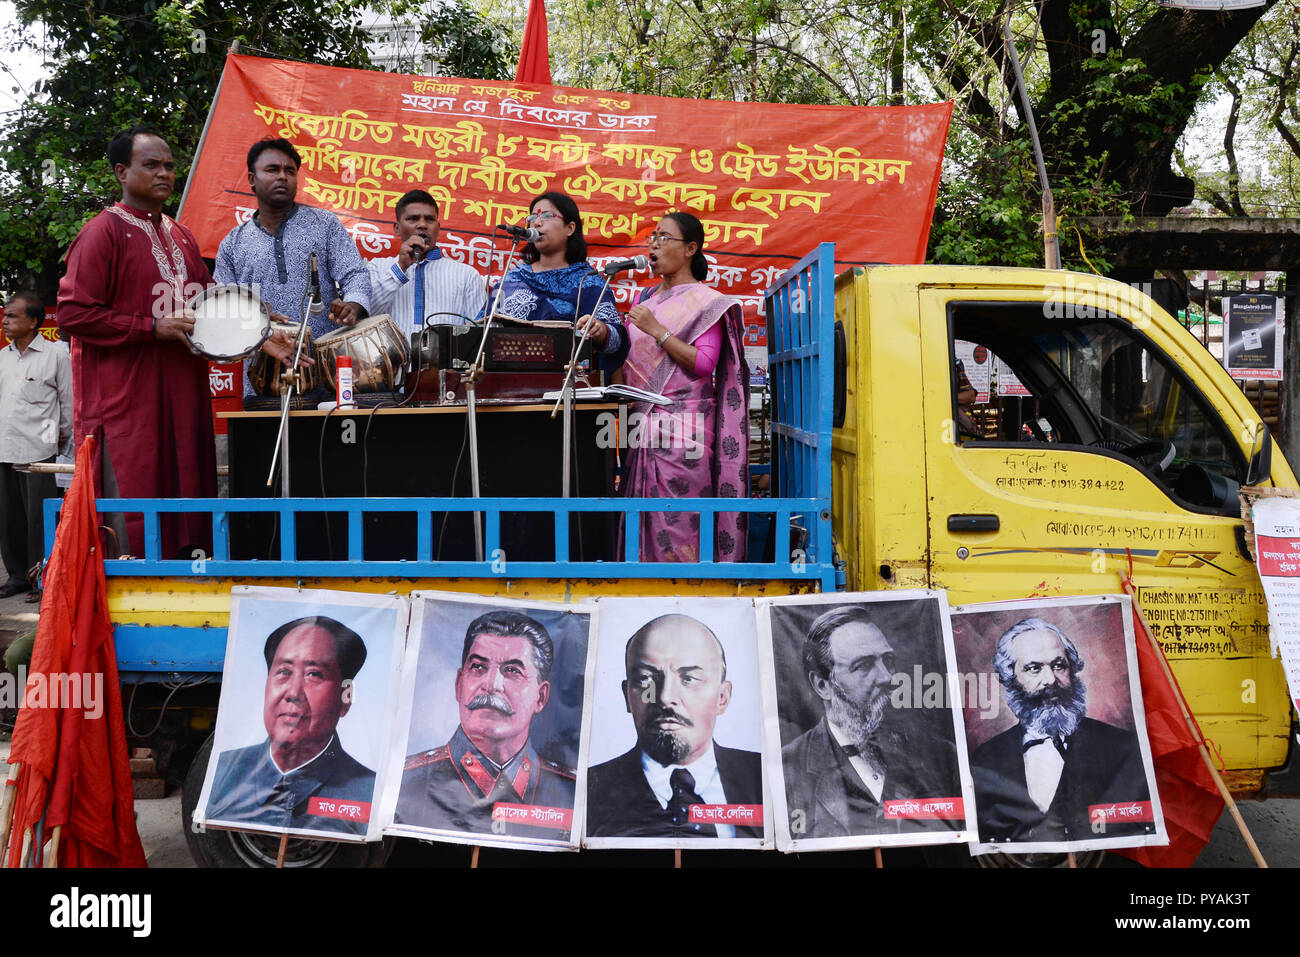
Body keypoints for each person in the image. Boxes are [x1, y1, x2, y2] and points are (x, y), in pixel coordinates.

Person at [56, 125, 216, 559]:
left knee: (190, 503)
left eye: (169, 165)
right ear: (121, 173)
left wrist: (261, 331)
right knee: (134, 514)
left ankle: (190, 611)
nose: (165, 173)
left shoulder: (182, 235)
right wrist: (150, 327)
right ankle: (128, 619)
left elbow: (211, 303)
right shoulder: (102, 232)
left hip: (184, 397)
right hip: (127, 403)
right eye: (152, 165)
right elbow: (73, 314)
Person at [612, 212, 749, 563]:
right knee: (639, 521)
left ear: (690, 248)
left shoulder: (707, 302)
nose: (654, 244)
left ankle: (688, 590)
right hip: (640, 429)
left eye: (664, 237)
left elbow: (704, 363)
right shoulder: (646, 300)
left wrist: (659, 331)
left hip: (685, 433)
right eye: (652, 237)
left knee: (681, 525)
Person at [396, 610, 576, 839]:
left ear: (540, 697)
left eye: (512, 671)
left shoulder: (571, 793)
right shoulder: (404, 783)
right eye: (478, 667)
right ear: (459, 684)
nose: (491, 685)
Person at [971, 617, 1152, 844]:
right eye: (1034, 669)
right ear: (1010, 678)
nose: (1050, 680)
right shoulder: (986, 758)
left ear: (1072, 669)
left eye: (1059, 666)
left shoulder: (1122, 747)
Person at [214, 138, 371, 397]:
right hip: (261, 380)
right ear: (252, 179)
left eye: (290, 171)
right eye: (272, 170)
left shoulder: (325, 224)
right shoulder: (233, 243)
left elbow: (355, 273)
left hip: (324, 375)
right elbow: (225, 307)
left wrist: (353, 304)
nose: (283, 177)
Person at [781, 605, 955, 839]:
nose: (888, 677)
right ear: (823, 685)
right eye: (863, 665)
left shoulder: (941, 756)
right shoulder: (787, 768)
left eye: (888, 660)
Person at [587, 614, 762, 839]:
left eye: (689, 679)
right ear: (627, 695)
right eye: (646, 680)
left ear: (722, 697)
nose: (665, 697)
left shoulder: (766, 780)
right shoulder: (588, 791)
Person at [206, 616, 375, 836]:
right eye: (284, 672)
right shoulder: (223, 772)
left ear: (345, 697)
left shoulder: (368, 792)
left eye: (314, 674)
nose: (293, 693)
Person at [482, 191, 627, 371]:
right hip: (505, 385)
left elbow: (617, 342)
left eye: (547, 216)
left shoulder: (588, 283)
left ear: (570, 228)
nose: (537, 222)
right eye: (533, 217)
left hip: (566, 387)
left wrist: (601, 331)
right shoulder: (513, 279)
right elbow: (479, 331)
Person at [0, 294, 71, 601]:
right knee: (9, 518)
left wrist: (63, 436)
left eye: (12, 316)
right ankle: (16, 576)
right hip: (4, 448)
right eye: (5, 316)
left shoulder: (55, 356)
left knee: (39, 520)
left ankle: (42, 578)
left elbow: (68, 402)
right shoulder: (3, 357)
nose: (5, 321)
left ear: (32, 321)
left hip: (40, 450)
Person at [367, 189, 486, 338]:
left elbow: (479, 333)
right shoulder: (377, 267)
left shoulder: (466, 275)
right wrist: (400, 268)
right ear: (397, 228)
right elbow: (364, 314)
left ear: (438, 228)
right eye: (413, 219)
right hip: (390, 361)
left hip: (446, 361)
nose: (422, 225)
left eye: (430, 219)